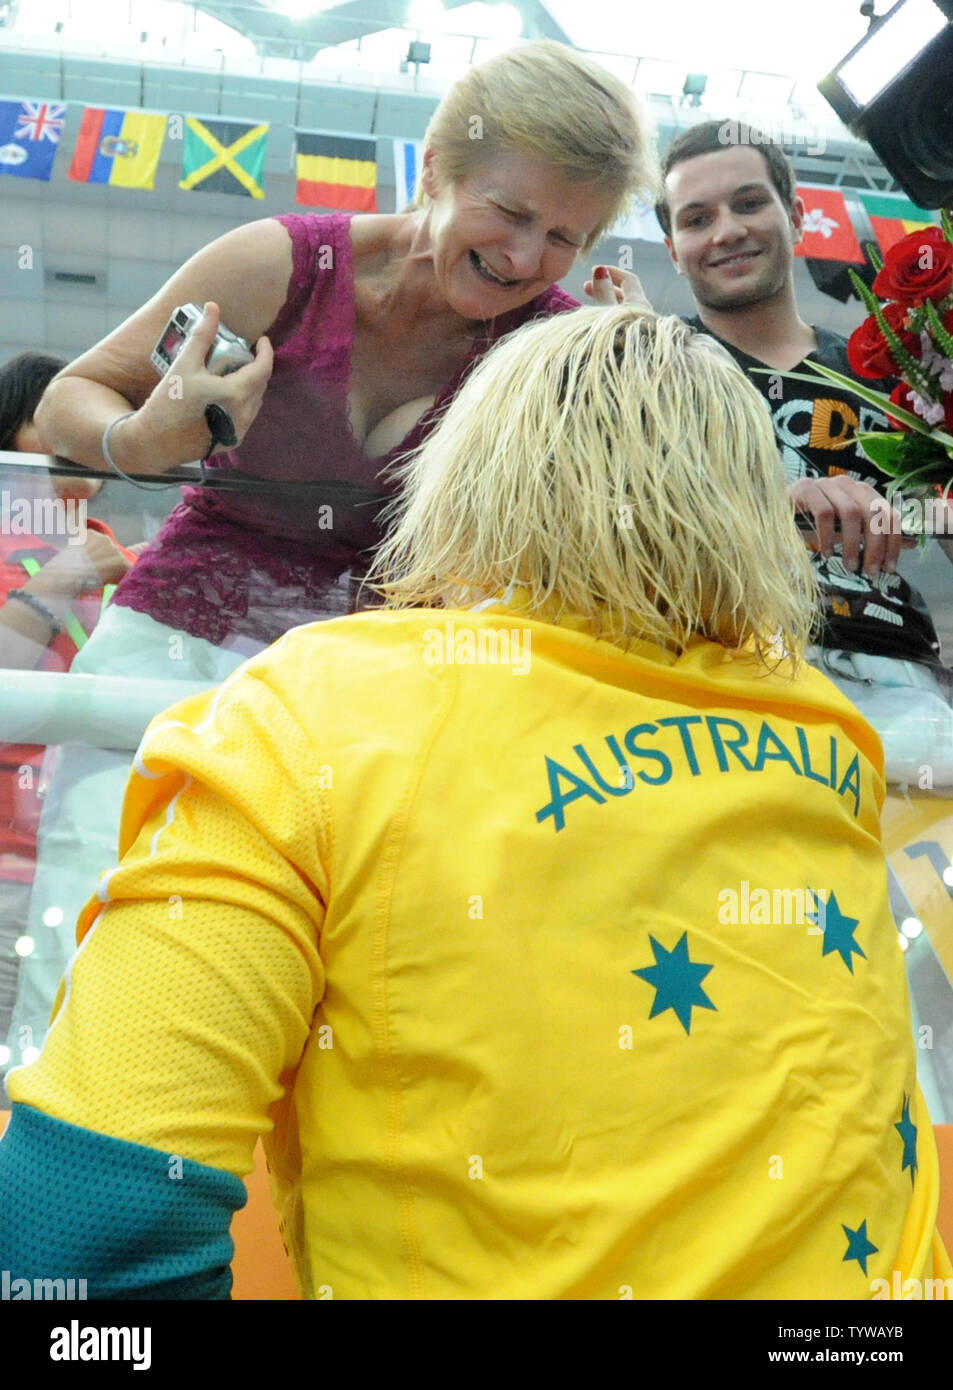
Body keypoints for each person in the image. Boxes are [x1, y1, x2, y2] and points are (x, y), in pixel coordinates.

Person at [0, 307, 947, 1300]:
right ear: (748, 504)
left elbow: (80, 1224)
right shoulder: (822, 728)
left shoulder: (315, 715)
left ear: (463, 477)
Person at [648, 120, 953, 788]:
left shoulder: (891, 373)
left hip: (905, 690)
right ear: (673, 249)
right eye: (697, 218)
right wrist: (767, 506)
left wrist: (931, 510)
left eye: (748, 203)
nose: (726, 230)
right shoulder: (647, 375)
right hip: (717, 679)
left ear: (796, 215)